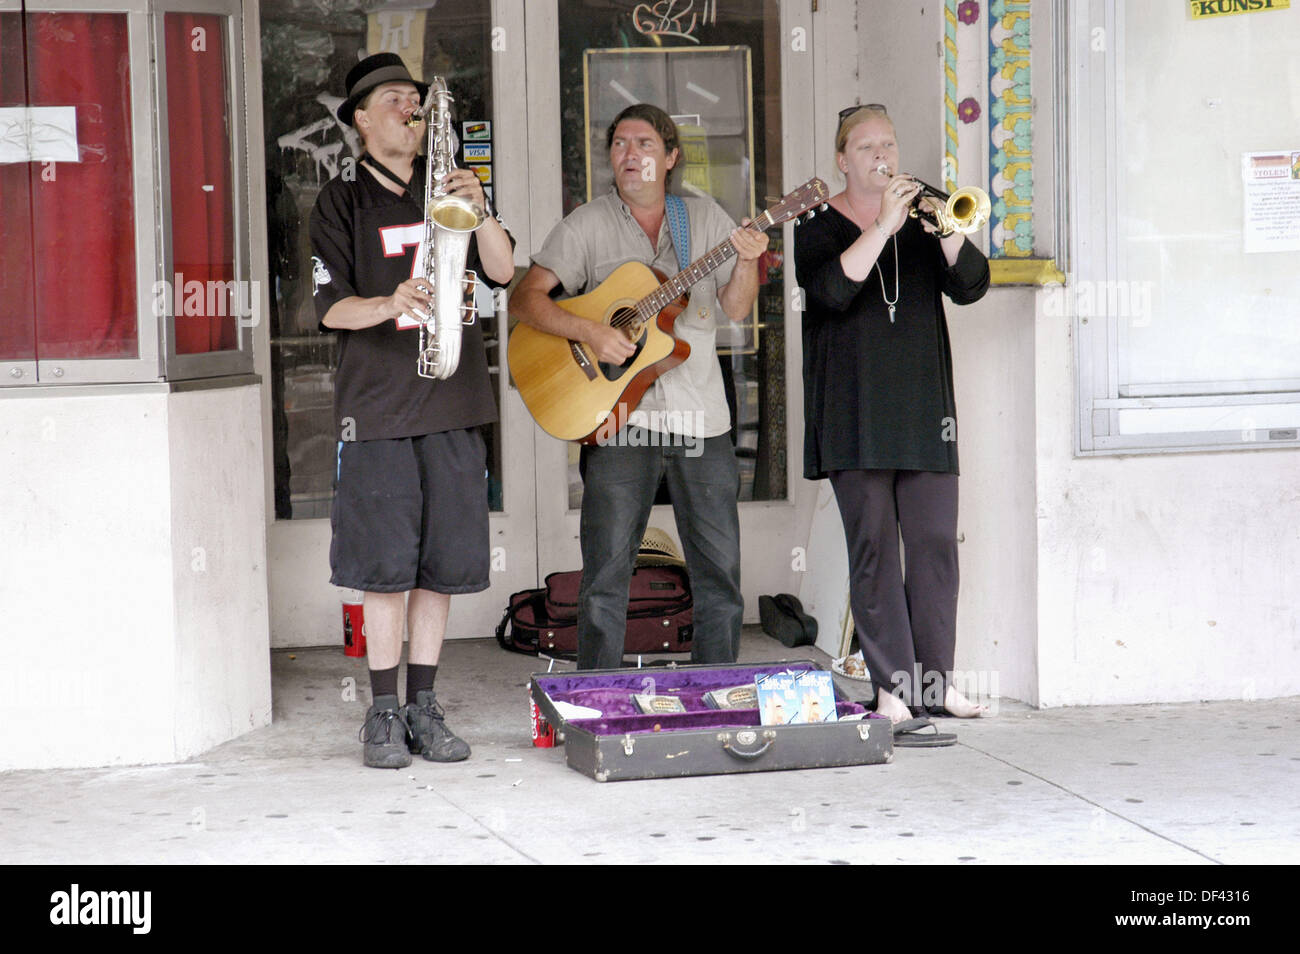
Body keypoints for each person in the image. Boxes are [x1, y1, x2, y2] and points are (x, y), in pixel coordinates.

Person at [309, 53, 515, 768]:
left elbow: (503, 269)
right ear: (362, 120)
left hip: (454, 401)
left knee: (441, 567)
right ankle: (382, 713)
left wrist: (481, 206)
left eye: (415, 101)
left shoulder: (451, 184)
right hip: (379, 409)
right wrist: (392, 301)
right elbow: (330, 306)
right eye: (395, 100)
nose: (410, 111)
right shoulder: (340, 200)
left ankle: (425, 707)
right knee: (385, 569)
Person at [510, 103, 768, 670]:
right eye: (621, 143)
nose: (631, 154)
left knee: (720, 576)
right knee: (605, 575)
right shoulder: (587, 224)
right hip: (619, 419)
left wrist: (747, 260)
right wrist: (590, 333)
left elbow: (735, 306)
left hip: (702, 418)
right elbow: (525, 299)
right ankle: (596, 698)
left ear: (671, 157)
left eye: (645, 144)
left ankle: (713, 692)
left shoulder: (704, 220)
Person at [794, 104, 990, 723]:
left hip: (925, 411)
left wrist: (945, 227)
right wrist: (882, 224)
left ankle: (937, 684)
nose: (882, 155)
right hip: (852, 411)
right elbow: (829, 291)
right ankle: (893, 690)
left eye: (889, 142)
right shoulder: (814, 223)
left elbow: (973, 284)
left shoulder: (923, 222)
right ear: (841, 160)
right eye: (867, 146)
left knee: (934, 544)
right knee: (874, 548)